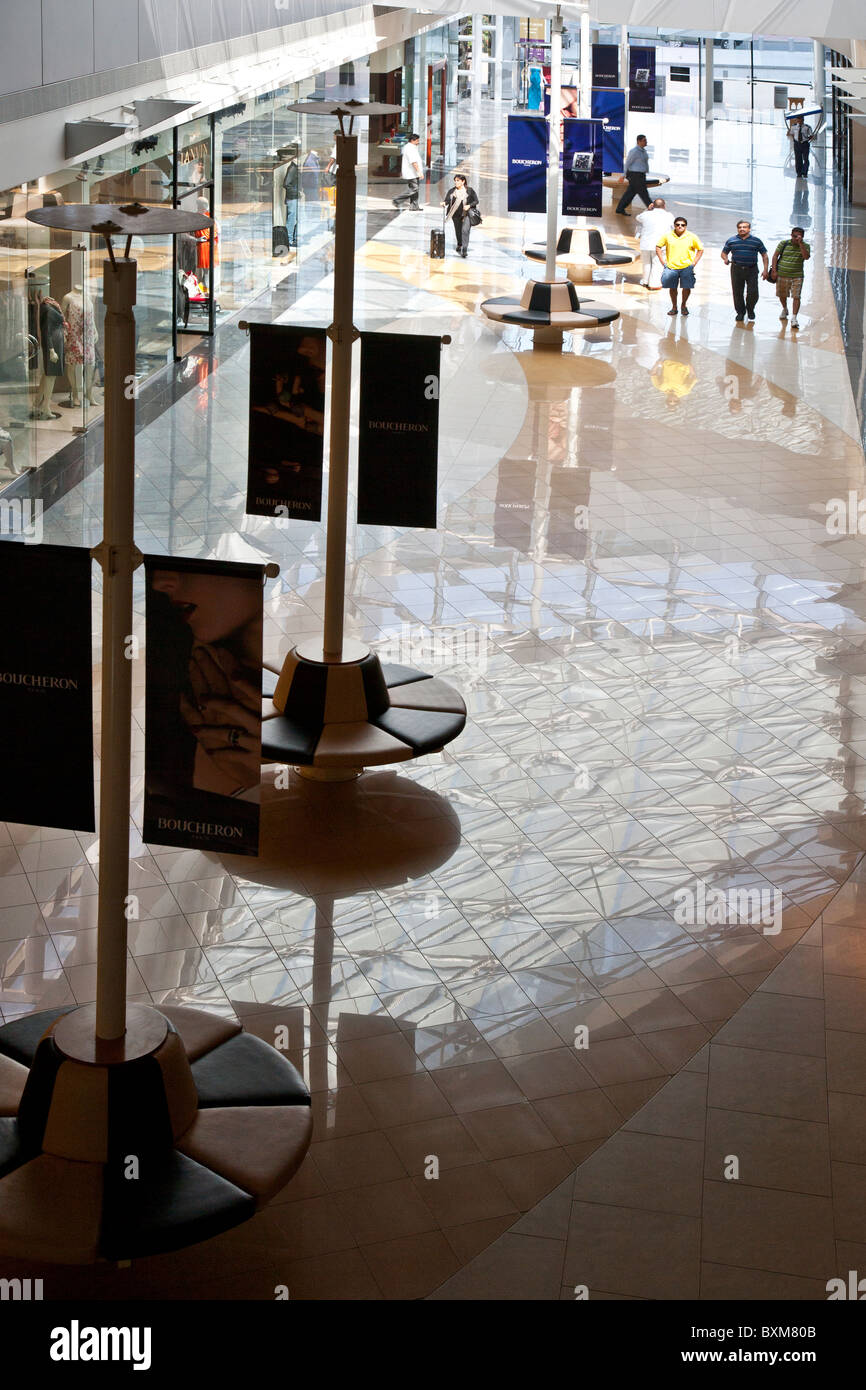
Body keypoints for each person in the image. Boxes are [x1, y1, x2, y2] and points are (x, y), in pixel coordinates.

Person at [720, 219, 769, 323]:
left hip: (752, 269)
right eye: (740, 227)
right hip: (736, 269)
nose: (742, 229)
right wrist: (725, 259)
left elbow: (764, 255)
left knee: (753, 292)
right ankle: (740, 312)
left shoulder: (756, 241)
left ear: (749, 229)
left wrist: (765, 270)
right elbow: (724, 253)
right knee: (737, 292)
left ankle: (750, 309)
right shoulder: (731, 240)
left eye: (744, 227)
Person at [656, 216, 704, 316]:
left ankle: (683, 305)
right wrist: (662, 261)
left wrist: (694, 263)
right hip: (671, 267)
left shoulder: (692, 236)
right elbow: (658, 246)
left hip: (686, 267)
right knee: (672, 288)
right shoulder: (668, 235)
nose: (680, 226)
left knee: (687, 287)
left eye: (683, 225)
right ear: (674, 225)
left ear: (686, 226)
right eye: (677, 225)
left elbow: (700, 249)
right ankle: (674, 307)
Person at [771, 226, 810, 329]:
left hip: (797, 275)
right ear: (791, 235)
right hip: (782, 274)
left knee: (796, 296)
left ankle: (794, 317)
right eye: (794, 236)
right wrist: (774, 270)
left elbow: (806, 257)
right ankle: (785, 308)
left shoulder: (805, 246)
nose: (795, 238)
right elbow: (775, 256)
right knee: (782, 294)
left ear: (802, 237)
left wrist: (801, 244)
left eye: (798, 236)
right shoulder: (784, 244)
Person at [635, 198, 673, 288]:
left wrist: (648, 209)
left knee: (646, 263)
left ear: (653, 205)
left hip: (645, 244)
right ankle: (654, 284)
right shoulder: (669, 215)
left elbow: (638, 218)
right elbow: (674, 227)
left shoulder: (646, 215)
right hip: (659, 245)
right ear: (664, 206)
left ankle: (645, 281)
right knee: (657, 264)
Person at [443, 172, 479, 258]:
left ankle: (464, 249)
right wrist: (444, 203)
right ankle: (459, 244)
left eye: (458, 181)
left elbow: (476, 201)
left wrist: (469, 205)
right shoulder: (452, 191)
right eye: (455, 181)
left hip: (467, 214)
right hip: (455, 215)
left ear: (463, 182)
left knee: (465, 231)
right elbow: (447, 200)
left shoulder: (469, 191)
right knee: (458, 231)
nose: (456, 182)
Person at [615, 135, 651, 215]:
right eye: (644, 140)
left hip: (641, 175)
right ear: (639, 141)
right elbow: (627, 163)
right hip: (635, 175)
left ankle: (620, 209)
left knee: (630, 193)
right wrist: (623, 175)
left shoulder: (644, 151)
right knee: (644, 193)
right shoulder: (634, 151)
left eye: (646, 140)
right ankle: (653, 210)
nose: (646, 142)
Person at [393, 133, 424, 210]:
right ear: (412, 140)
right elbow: (413, 162)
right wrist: (419, 172)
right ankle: (397, 200)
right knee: (414, 189)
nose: (418, 142)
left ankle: (414, 206)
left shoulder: (411, 147)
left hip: (413, 173)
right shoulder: (409, 148)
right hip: (411, 173)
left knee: (415, 189)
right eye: (417, 141)